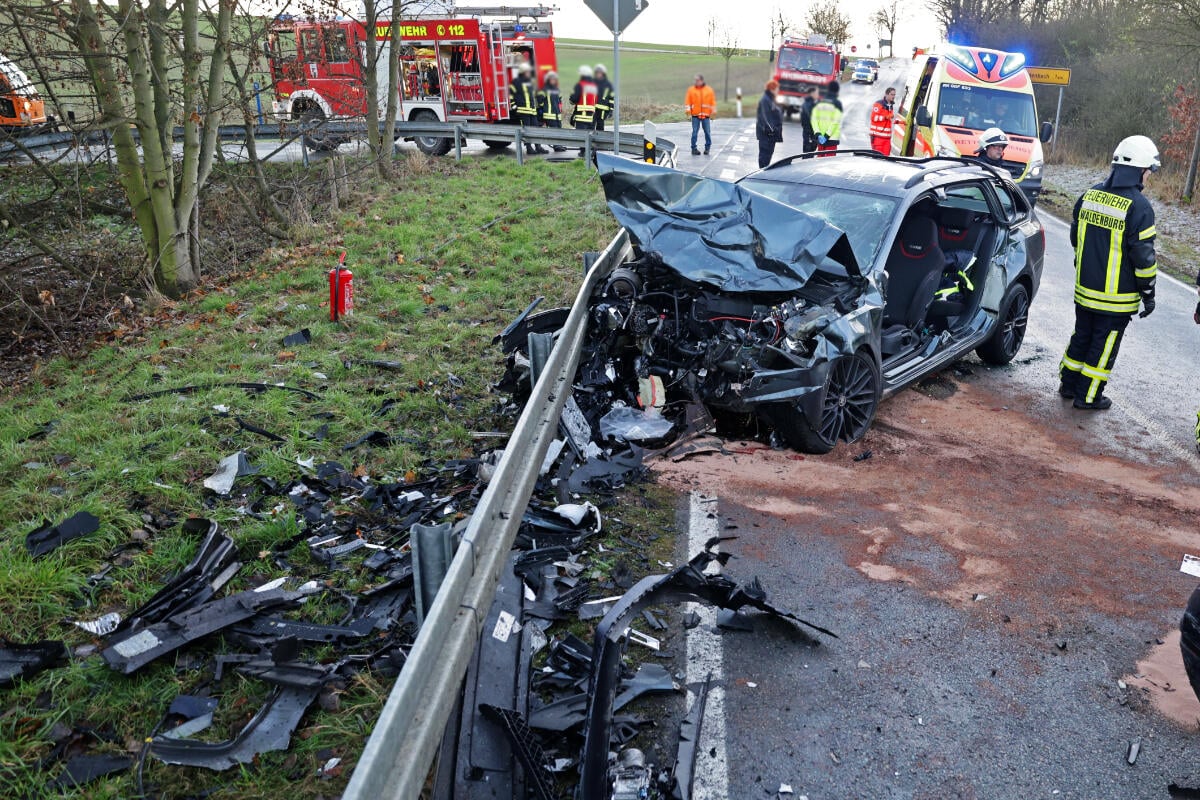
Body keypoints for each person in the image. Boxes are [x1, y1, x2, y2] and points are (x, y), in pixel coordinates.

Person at [1058, 135, 1160, 410]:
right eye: (1148, 171)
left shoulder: (1089, 195)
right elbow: (1144, 259)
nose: (1148, 177)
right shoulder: (1139, 207)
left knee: (1082, 336)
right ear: (1140, 171)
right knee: (1103, 346)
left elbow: (1075, 238)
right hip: (1115, 298)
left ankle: (1068, 385)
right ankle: (1089, 396)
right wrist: (1148, 293)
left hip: (1084, 289)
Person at [509, 63, 545, 155]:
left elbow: (535, 94)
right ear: (523, 72)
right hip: (523, 111)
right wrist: (514, 106)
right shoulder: (516, 82)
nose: (529, 73)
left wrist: (540, 104)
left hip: (532, 111)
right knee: (526, 131)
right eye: (527, 71)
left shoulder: (530, 81)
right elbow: (510, 95)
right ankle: (529, 148)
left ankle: (538, 147)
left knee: (536, 129)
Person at [569, 64, 597, 156]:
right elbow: (596, 100)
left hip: (581, 116)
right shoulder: (593, 86)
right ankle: (590, 151)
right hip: (591, 116)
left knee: (581, 136)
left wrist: (571, 98)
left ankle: (583, 152)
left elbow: (574, 99)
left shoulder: (580, 85)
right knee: (590, 135)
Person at [685, 74, 716, 156]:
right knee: (694, 132)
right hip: (695, 115)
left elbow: (712, 103)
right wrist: (688, 113)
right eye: (695, 80)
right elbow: (688, 102)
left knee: (707, 133)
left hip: (706, 116)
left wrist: (713, 113)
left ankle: (707, 148)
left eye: (697, 80)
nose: (696, 82)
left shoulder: (709, 90)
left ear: (702, 81)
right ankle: (694, 149)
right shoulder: (691, 90)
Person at [755, 79, 784, 168]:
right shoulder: (765, 100)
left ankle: (763, 172)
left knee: (768, 156)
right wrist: (772, 130)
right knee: (764, 156)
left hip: (771, 135)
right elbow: (765, 117)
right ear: (772, 89)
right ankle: (761, 174)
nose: (778, 90)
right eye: (777, 88)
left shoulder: (770, 99)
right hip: (767, 134)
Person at [810, 81, 843, 156]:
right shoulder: (837, 103)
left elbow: (814, 119)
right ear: (837, 90)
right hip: (831, 139)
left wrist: (818, 134)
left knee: (820, 161)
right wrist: (826, 136)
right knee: (829, 163)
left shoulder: (819, 102)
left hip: (820, 138)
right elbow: (835, 122)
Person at [537, 70, 567, 152]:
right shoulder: (544, 89)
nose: (553, 80)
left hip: (557, 114)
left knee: (559, 129)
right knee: (554, 130)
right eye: (552, 79)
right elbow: (540, 100)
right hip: (550, 114)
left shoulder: (556, 89)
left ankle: (559, 144)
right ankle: (556, 146)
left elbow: (558, 100)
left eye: (554, 79)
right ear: (548, 79)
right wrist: (545, 108)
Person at [869, 87, 895, 156]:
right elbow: (873, 118)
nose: (893, 96)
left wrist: (900, 122)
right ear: (886, 94)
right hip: (878, 138)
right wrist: (885, 117)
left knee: (886, 159)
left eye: (894, 95)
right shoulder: (878, 104)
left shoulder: (890, 105)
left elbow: (889, 121)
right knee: (878, 160)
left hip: (887, 139)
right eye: (891, 94)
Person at [593, 63, 614, 131]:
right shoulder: (593, 82)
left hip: (603, 110)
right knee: (591, 124)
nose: (598, 74)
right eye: (597, 73)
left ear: (603, 73)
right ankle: (590, 140)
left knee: (600, 125)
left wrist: (611, 109)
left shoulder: (608, 84)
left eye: (599, 73)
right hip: (593, 108)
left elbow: (612, 98)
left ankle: (599, 140)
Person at [799, 86, 819, 154]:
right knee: (808, 154)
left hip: (808, 132)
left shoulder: (808, 103)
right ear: (812, 93)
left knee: (807, 153)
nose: (817, 95)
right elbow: (811, 118)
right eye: (816, 93)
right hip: (810, 133)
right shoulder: (809, 104)